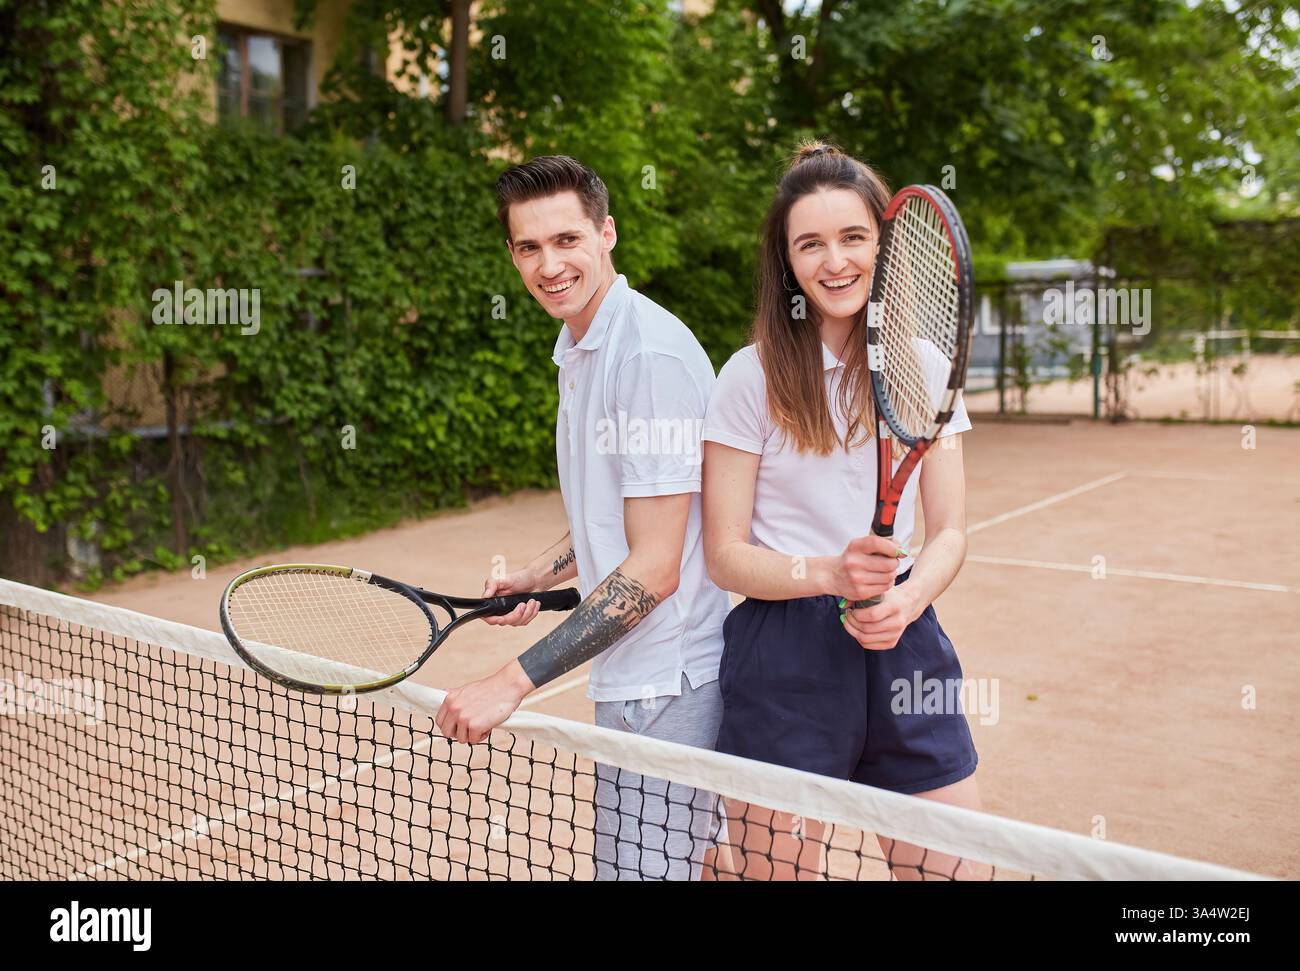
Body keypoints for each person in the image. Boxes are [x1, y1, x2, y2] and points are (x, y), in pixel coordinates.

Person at [434, 155, 731, 880]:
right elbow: (618, 513)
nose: (550, 264)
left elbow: (655, 567)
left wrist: (509, 681)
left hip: (669, 683)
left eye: (567, 240)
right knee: (713, 862)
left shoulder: (647, 356)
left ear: (607, 234)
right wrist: (541, 572)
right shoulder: (581, 347)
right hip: (638, 672)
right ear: (512, 255)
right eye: (529, 247)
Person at [701, 141, 985, 880]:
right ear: (786, 261)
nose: (836, 261)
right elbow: (725, 553)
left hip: (905, 639)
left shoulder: (922, 364)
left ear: (883, 245)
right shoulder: (748, 376)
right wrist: (828, 569)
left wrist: (909, 595)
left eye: (854, 237)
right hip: (783, 652)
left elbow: (950, 530)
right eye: (811, 243)